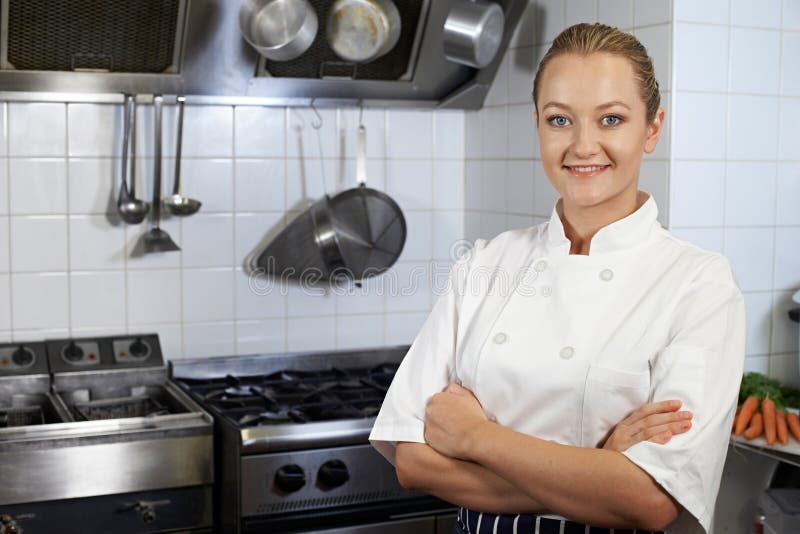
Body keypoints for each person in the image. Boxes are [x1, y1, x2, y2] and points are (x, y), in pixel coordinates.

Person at [369, 22, 745, 534]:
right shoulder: (486, 264)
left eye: (611, 119)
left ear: (652, 128)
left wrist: (474, 437)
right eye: (560, 119)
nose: (583, 145)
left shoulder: (698, 285)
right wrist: (598, 462)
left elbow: (650, 500)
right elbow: (412, 460)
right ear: (539, 126)